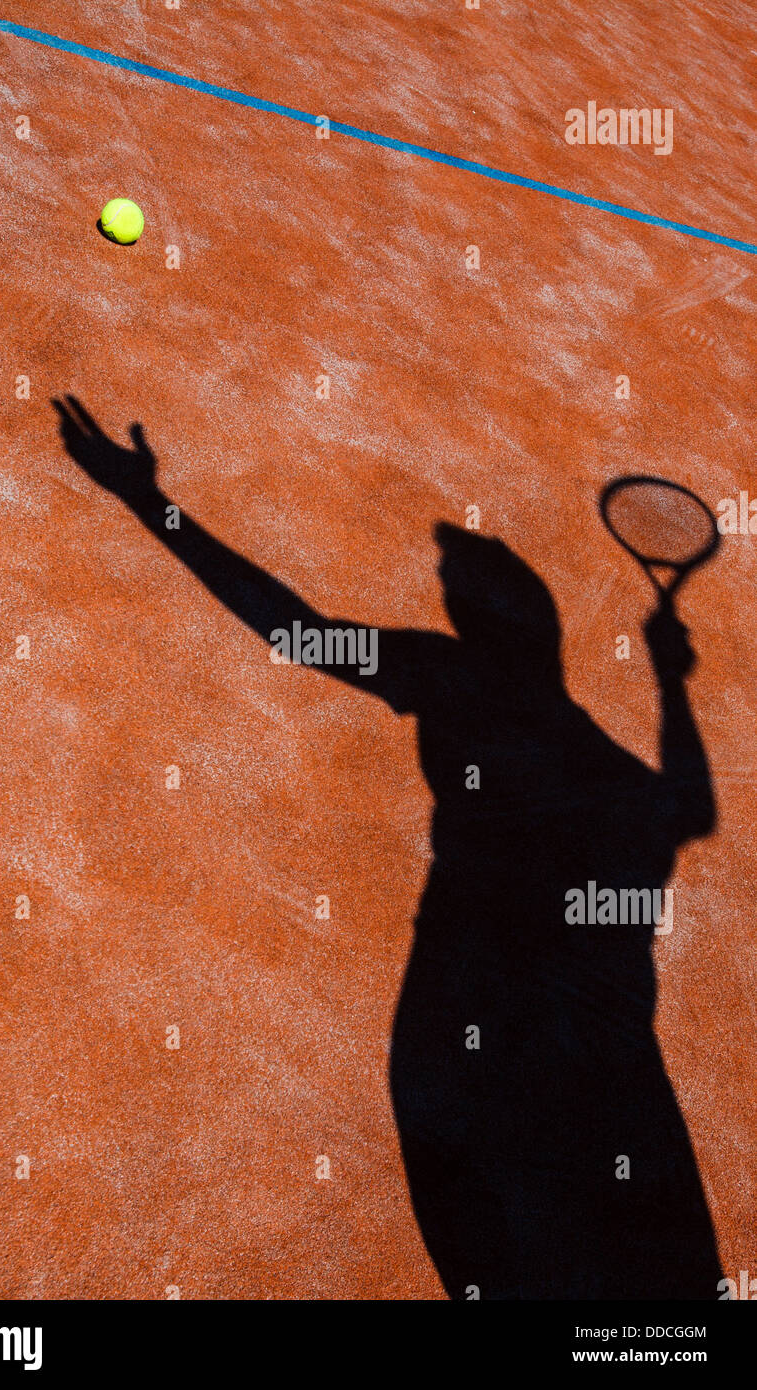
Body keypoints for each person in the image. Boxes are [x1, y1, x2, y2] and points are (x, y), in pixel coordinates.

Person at [55, 396, 722, 1300]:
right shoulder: (620, 782)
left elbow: (290, 629)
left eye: (453, 582)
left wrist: (151, 503)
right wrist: (672, 688)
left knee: (501, 1257)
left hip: (466, 1023)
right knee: (667, 1298)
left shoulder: (451, 678)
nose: (444, 587)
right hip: (608, 1061)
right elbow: (692, 806)